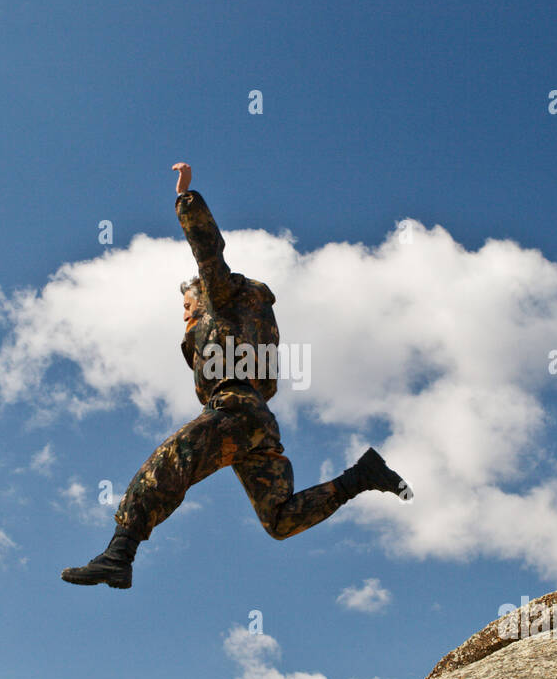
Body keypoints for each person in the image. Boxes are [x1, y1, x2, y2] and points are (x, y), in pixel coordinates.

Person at [61, 162, 411, 589]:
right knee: (279, 519)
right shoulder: (255, 323)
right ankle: (361, 476)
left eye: (189, 305)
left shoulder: (223, 296)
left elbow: (208, 250)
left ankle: (120, 553)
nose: (186, 313)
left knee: (168, 463)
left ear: (205, 295)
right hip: (258, 424)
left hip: (234, 409)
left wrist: (185, 199)